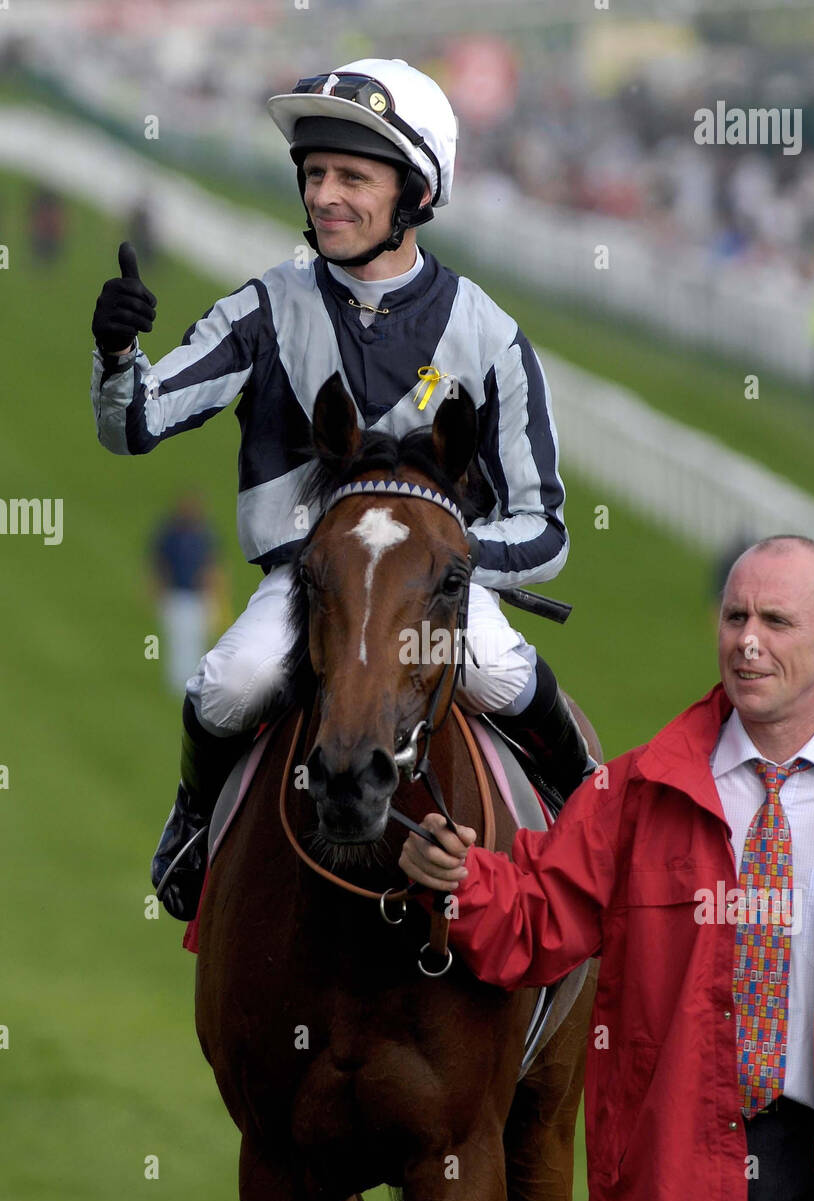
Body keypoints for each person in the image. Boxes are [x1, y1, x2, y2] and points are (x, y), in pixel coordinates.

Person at [89, 58, 595, 921]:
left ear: (415, 194)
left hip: (435, 592)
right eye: (315, 174)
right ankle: (191, 824)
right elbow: (135, 425)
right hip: (307, 586)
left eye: (353, 178)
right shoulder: (263, 308)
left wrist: (446, 562)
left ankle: (593, 818)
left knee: (505, 672)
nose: (325, 195)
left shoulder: (488, 334)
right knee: (229, 681)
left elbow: (544, 530)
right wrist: (116, 357)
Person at [400, 535, 814, 1201]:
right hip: (682, 1175)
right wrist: (459, 880)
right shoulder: (639, 790)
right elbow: (536, 918)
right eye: (735, 616)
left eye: (775, 621)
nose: (746, 642)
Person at [149, 493, 225, 696]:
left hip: (198, 596)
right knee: (178, 639)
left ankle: (194, 680)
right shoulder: (170, 535)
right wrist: (157, 590)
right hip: (176, 594)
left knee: (197, 639)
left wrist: (213, 593)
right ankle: (178, 683)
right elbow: (159, 563)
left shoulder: (203, 536)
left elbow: (211, 565)